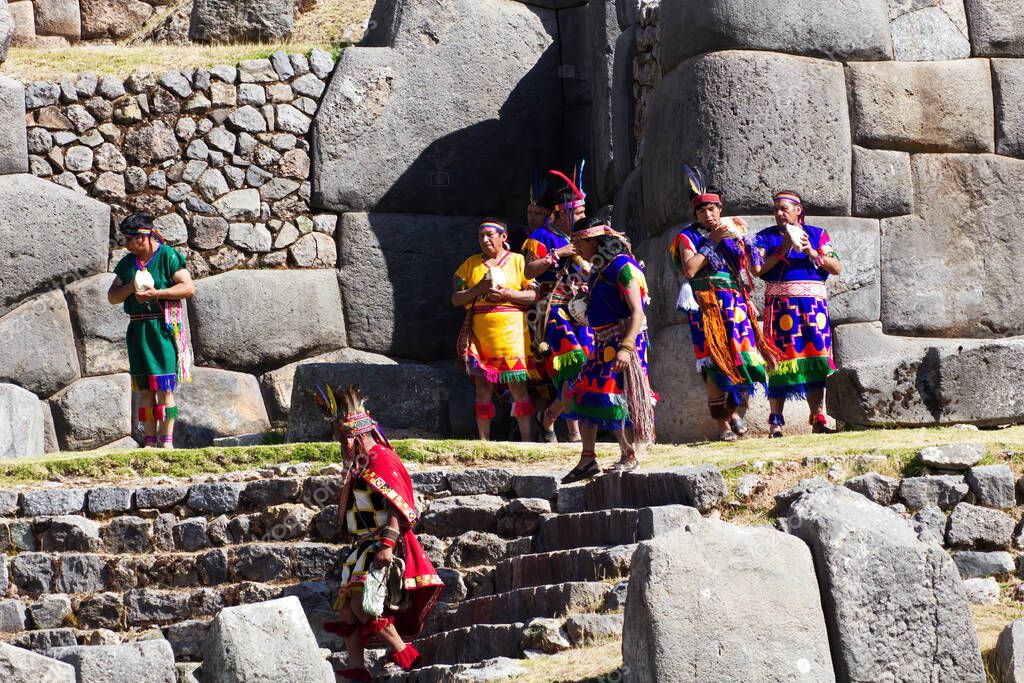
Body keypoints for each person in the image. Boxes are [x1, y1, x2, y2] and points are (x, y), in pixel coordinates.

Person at [316, 385, 444, 680]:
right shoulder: (359, 465)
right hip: (363, 546)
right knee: (347, 611)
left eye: (346, 439)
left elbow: (398, 506)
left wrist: (387, 544)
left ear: (359, 434)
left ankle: (409, 658)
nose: (342, 445)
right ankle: (357, 668)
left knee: (365, 604)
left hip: (383, 543)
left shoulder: (383, 460)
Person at [668, 170, 777, 441]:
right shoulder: (688, 238)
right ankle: (724, 426)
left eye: (712, 209)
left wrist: (745, 241)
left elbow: (754, 268)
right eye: (702, 210)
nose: (708, 215)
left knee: (744, 359)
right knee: (714, 362)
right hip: (707, 305)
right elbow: (690, 269)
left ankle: (735, 412)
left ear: (720, 208)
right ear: (696, 214)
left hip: (735, 303)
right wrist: (712, 241)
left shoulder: (733, 232)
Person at [561, 216, 656, 483]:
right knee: (584, 394)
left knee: (617, 399)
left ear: (594, 241)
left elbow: (637, 312)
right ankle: (588, 459)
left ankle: (629, 455)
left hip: (625, 341)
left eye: (579, 242)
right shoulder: (598, 272)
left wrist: (626, 347)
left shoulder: (623, 268)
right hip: (603, 343)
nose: (576, 247)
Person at [752, 191, 842, 437]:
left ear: (798, 210)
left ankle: (818, 419)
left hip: (813, 307)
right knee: (779, 363)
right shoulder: (764, 237)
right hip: (781, 307)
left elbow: (836, 268)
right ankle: (776, 423)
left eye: (784, 208)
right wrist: (782, 249)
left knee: (816, 359)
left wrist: (813, 252)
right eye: (776, 209)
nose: (779, 213)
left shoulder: (817, 235)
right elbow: (757, 269)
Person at [107, 212, 194, 449]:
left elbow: (187, 287)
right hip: (137, 329)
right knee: (144, 390)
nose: (125, 244)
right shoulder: (127, 264)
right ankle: (149, 442)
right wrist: (130, 286)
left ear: (143, 237)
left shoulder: (167, 256)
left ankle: (166, 443)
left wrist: (157, 293)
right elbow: (113, 296)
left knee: (163, 387)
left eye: (128, 239)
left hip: (161, 328)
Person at [522, 169, 595, 443]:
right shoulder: (542, 236)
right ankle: (574, 432)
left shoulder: (582, 236)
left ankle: (550, 416)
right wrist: (557, 255)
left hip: (580, 308)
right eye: (578, 213)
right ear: (563, 213)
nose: (582, 217)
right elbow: (529, 270)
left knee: (587, 361)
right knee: (570, 360)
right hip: (553, 308)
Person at [452, 219, 539, 440]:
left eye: (490, 235)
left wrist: (508, 294)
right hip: (481, 336)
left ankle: (527, 440)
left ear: (504, 237)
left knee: (518, 389)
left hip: (512, 335)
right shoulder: (470, 264)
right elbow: (456, 298)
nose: (485, 239)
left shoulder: (519, 261)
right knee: (482, 390)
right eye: (481, 236)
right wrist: (479, 288)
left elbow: (533, 295)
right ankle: (484, 441)